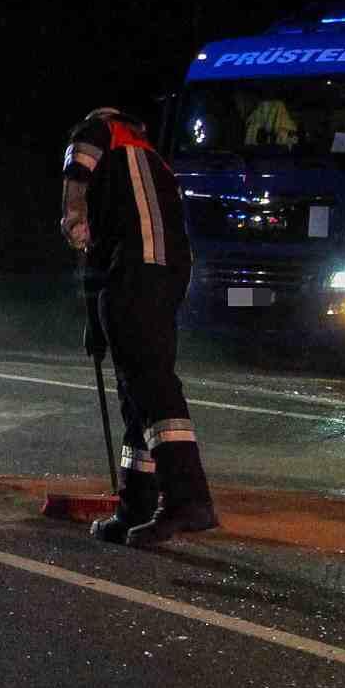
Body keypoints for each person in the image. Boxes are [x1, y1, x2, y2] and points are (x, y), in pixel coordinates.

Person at [61, 107, 217, 544]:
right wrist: (97, 319)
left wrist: (72, 214)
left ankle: (187, 499)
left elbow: (78, 170)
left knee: (150, 385)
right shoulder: (150, 155)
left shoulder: (98, 130)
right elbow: (102, 248)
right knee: (139, 388)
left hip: (136, 268)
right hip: (166, 273)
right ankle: (136, 505)